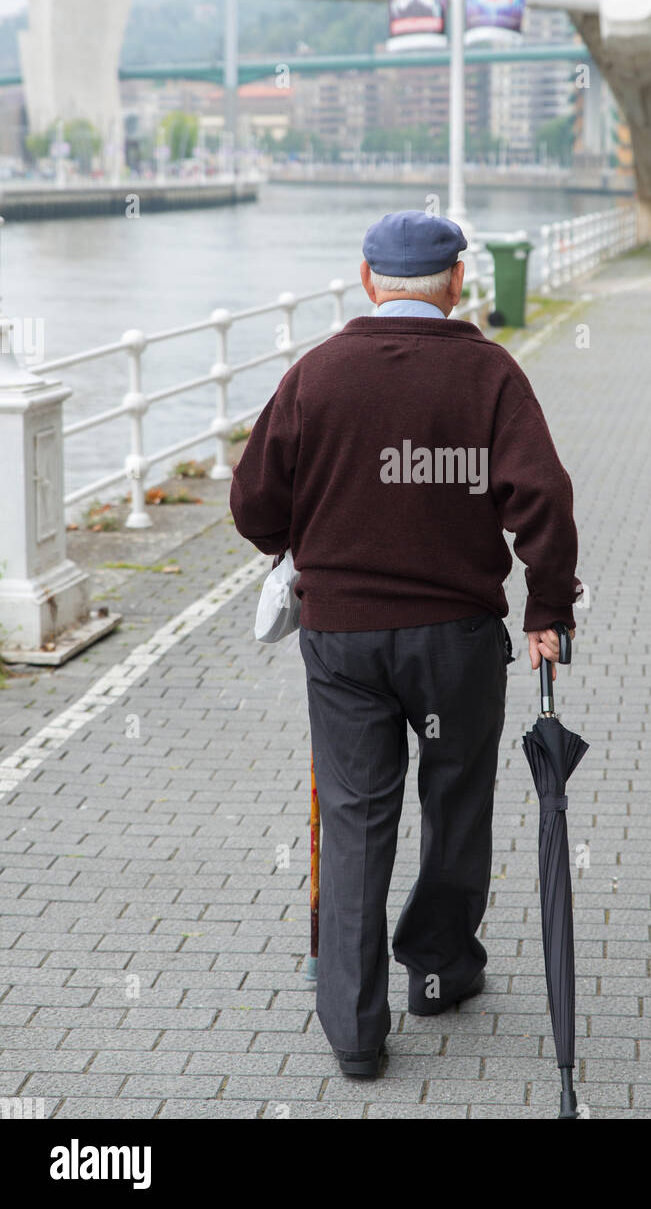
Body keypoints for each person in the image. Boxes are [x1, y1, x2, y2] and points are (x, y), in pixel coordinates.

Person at [230, 210, 580, 1079]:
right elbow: (542, 498)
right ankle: (438, 972)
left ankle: (354, 1033)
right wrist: (546, 608)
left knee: (355, 817)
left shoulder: (315, 373)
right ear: (458, 281)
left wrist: (296, 542)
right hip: (455, 640)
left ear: (366, 279)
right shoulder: (489, 373)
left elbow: (252, 502)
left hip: (342, 636)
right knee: (456, 800)